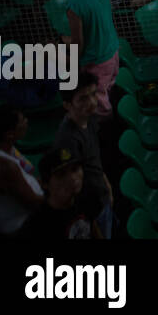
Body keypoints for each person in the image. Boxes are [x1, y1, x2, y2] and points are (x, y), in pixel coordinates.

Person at [52, 73, 114, 238]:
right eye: (83, 99)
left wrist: (106, 185)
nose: (92, 102)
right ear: (67, 104)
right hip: (91, 207)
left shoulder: (90, 118)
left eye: (93, 94)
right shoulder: (68, 141)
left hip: (101, 195)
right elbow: (73, 187)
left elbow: (94, 160)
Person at [63, 0, 122, 116]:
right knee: (109, 86)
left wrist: (73, 60)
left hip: (97, 61)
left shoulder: (74, 6)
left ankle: (105, 124)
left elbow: (78, 41)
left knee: (98, 99)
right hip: (113, 51)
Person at [0, 104, 43, 235]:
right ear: (10, 135)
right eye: (23, 120)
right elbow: (35, 204)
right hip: (21, 227)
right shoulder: (4, 167)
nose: (27, 121)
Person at [14, 147, 100, 239]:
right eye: (61, 174)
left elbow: (94, 228)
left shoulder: (87, 196)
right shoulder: (37, 226)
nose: (72, 178)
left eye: (75, 169)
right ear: (45, 184)